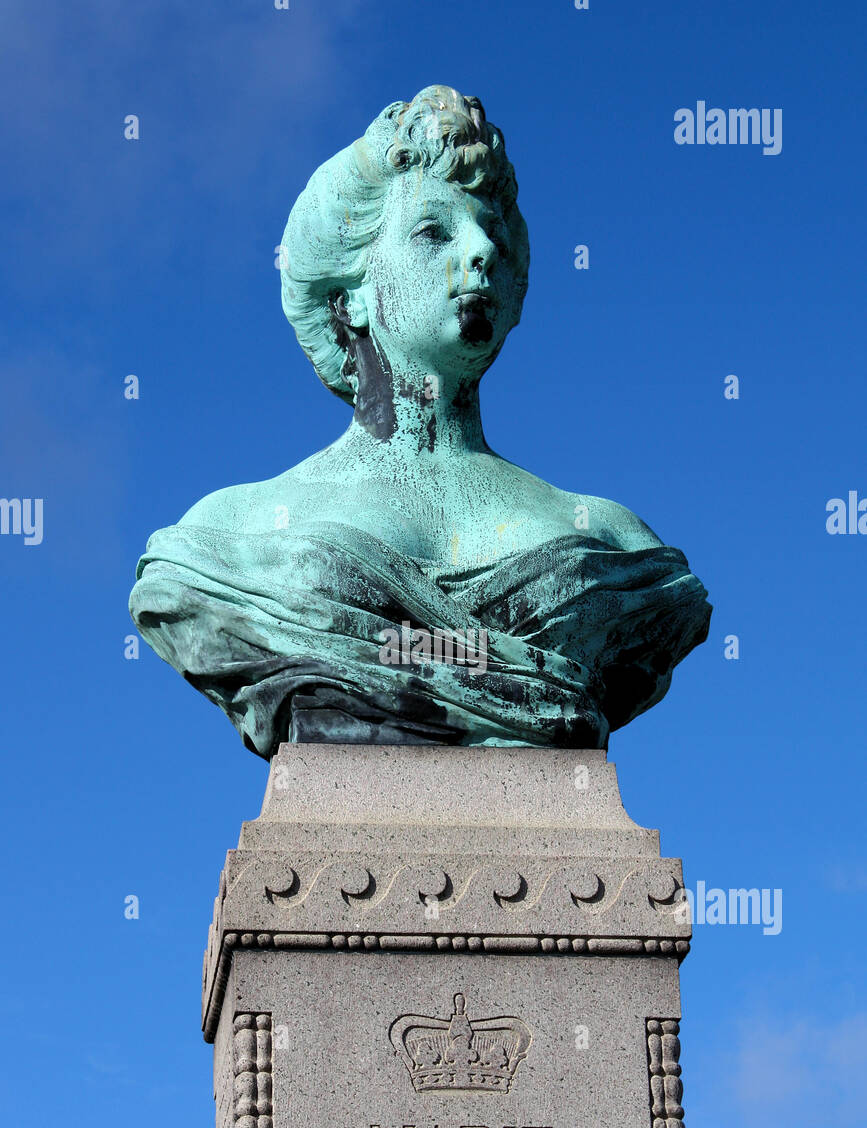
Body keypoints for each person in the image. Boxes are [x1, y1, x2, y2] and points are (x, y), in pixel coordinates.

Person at [130, 85, 710, 758]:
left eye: (492, 233)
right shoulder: (222, 541)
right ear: (348, 297)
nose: (480, 253)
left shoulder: (618, 546)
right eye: (434, 232)